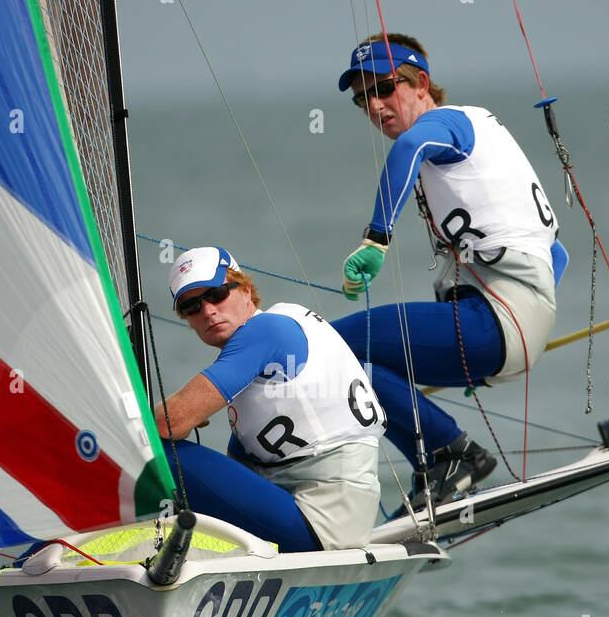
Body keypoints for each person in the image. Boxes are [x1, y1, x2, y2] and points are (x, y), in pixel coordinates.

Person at [332, 33, 562, 512]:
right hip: (507, 327)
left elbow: (411, 146)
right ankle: (439, 462)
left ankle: (452, 456)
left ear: (422, 83)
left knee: (325, 349)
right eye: (362, 99)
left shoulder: (449, 125)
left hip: (495, 323)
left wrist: (376, 239)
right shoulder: (481, 139)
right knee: (363, 370)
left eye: (384, 88)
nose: (374, 106)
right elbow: (556, 255)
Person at [154, 246, 386, 552]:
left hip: (320, 519)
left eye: (217, 294)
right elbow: (239, 470)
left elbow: (165, 424)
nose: (208, 311)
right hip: (334, 519)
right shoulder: (267, 351)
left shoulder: (264, 331)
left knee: (154, 455)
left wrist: (180, 414)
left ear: (246, 289)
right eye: (192, 306)